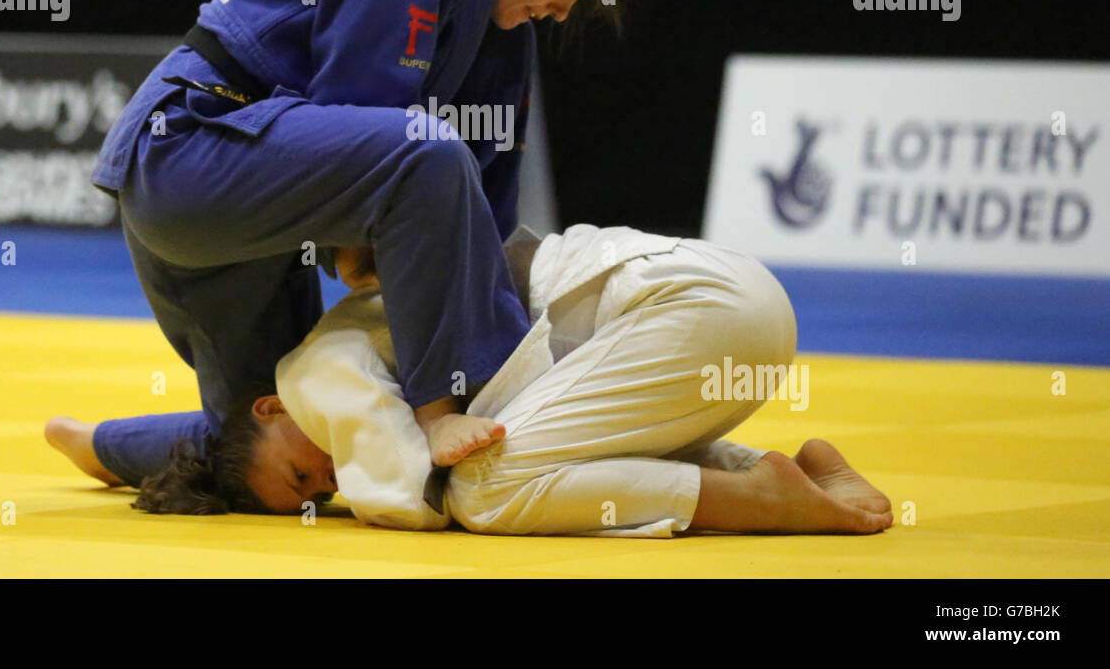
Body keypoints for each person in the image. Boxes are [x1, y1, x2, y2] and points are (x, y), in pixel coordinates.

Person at [77, 0, 652, 483]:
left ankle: (97, 445)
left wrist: (525, 362)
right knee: (427, 150)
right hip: (189, 157)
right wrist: (447, 395)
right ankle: (438, 413)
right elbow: (374, 148)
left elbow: (485, 231)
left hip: (254, 226)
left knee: (290, 443)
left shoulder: (508, 39)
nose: (565, 8)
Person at [47, 225, 893, 536]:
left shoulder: (313, 371)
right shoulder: (299, 408)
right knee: (543, 450)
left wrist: (89, 442)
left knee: (482, 493)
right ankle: (777, 469)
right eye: (322, 495)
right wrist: (91, 444)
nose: (335, 478)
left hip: (692, 313)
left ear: (269, 405)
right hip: (722, 324)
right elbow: (195, 441)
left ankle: (764, 503)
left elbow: (400, 481)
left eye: (306, 472)